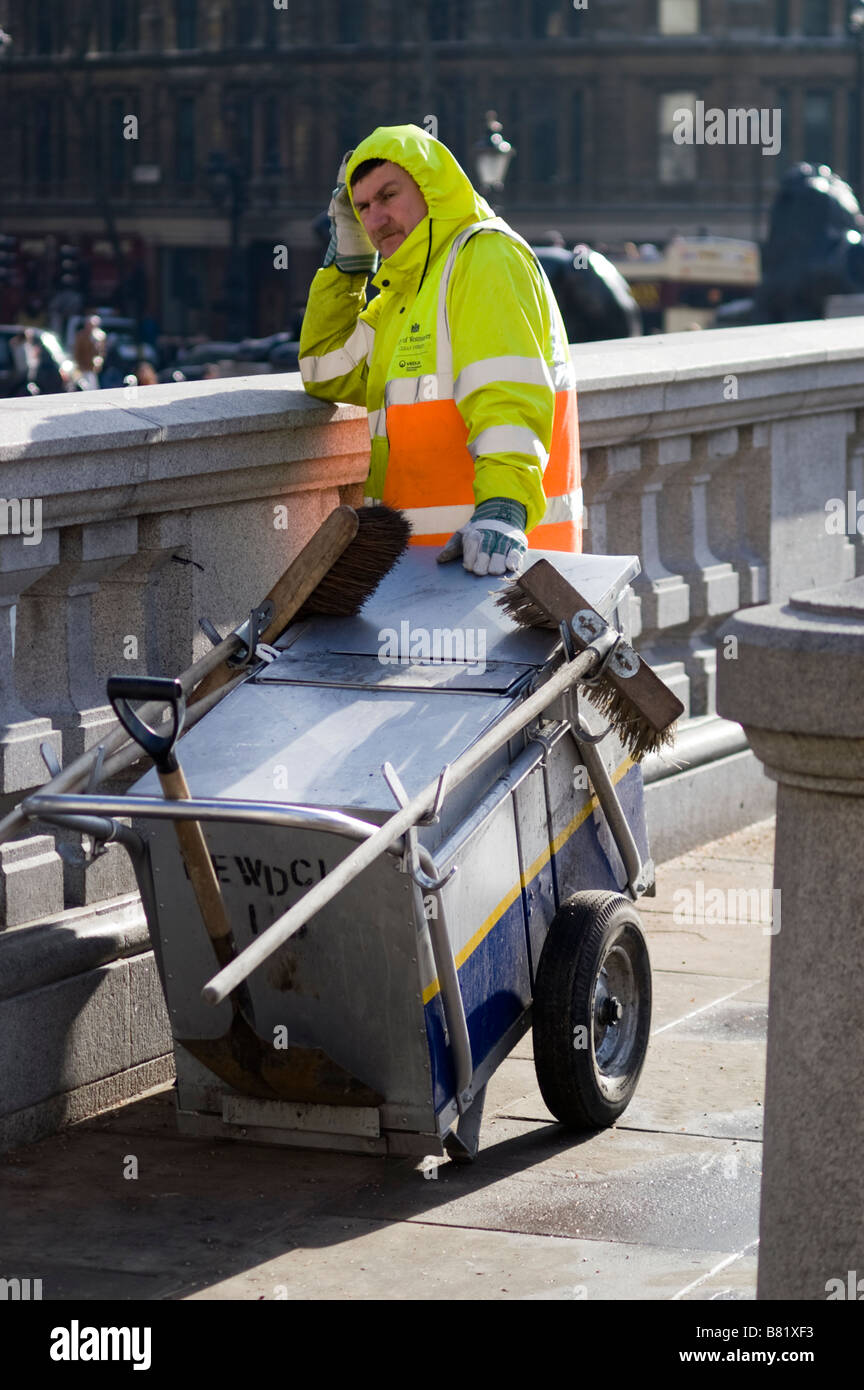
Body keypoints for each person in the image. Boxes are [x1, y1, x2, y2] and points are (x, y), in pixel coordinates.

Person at [299, 124, 581, 575]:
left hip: (503, 568)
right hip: (432, 573)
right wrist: (347, 266)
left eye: (388, 196)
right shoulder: (404, 291)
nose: (374, 220)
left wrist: (503, 508)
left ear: (432, 190)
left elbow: (509, 399)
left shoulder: (485, 255)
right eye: (363, 208)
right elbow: (325, 368)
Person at [73, 314, 106, 390]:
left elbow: (101, 351)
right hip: (83, 366)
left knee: (94, 386)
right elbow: (77, 351)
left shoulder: (100, 336)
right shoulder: (80, 336)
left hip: (93, 367)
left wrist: (99, 361)